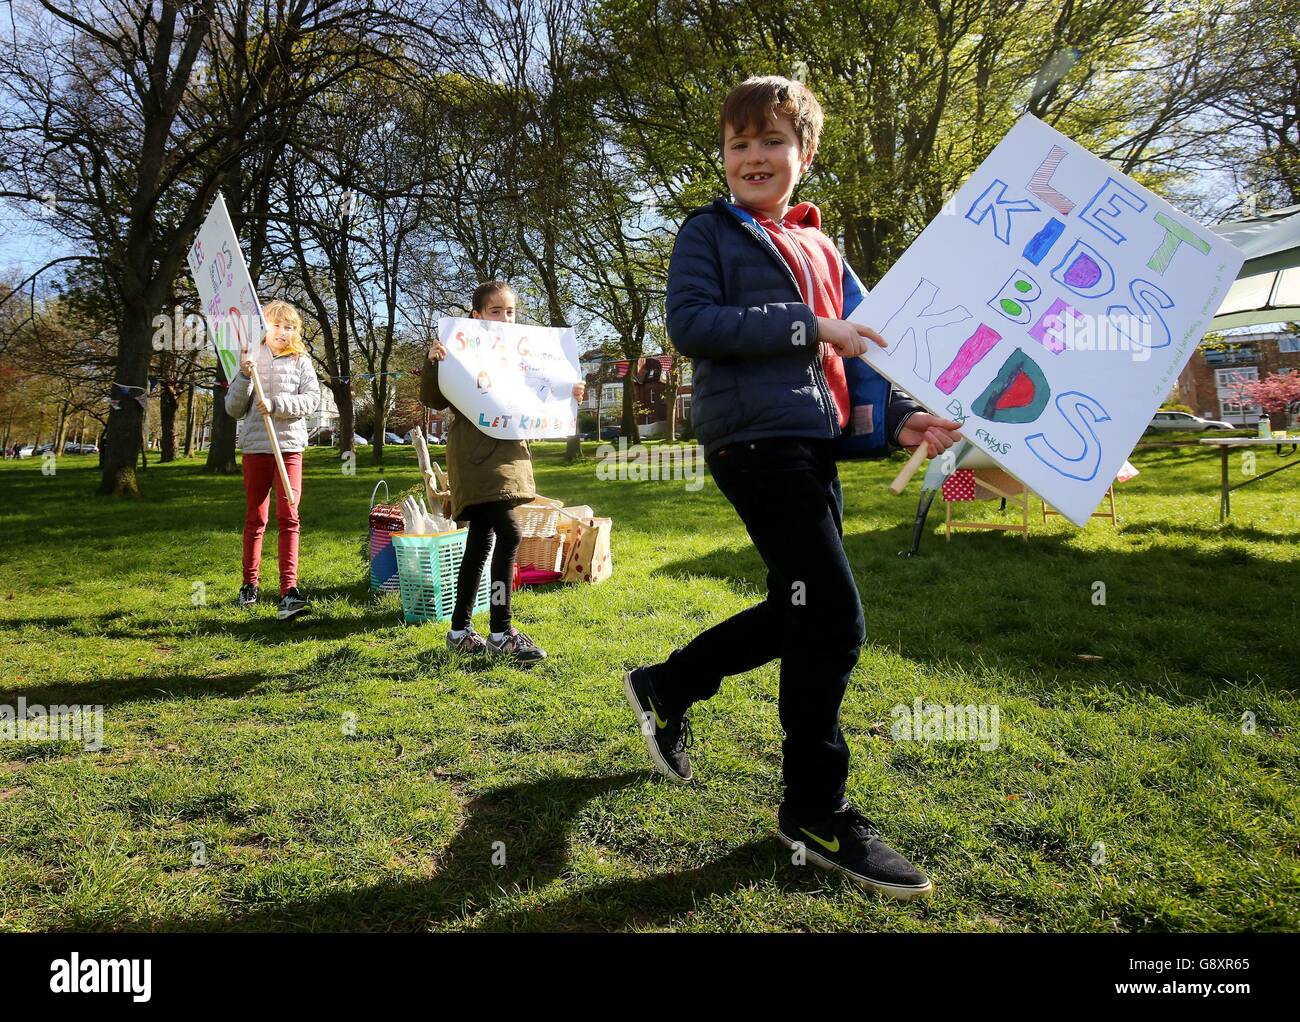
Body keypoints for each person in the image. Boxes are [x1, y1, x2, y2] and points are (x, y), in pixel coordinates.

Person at [622, 76, 961, 900]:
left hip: (813, 447)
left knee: (804, 608)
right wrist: (807, 324)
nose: (752, 158)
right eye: (739, 145)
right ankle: (813, 809)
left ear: (803, 155)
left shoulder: (825, 248)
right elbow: (693, 325)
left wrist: (904, 420)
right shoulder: (708, 232)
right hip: (752, 441)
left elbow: (866, 354)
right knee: (834, 620)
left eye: (771, 142)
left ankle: (669, 684)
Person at [420, 281, 585, 662]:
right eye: (495, 311)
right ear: (476, 316)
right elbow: (433, 399)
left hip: (508, 454)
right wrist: (434, 363)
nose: (504, 318)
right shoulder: (459, 352)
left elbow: (538, 392)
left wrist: (568, 394)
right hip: (476, 458)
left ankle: (460, 631)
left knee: (481, 541)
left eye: (510, 311)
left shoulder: (521, 355)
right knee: (510, 532)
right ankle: (500, 631)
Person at [225, 299, 321, 620]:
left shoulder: (301, 361)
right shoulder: (250, 357)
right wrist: (243, 375)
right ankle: (249, 585)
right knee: (256, 518)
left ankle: (288, 591)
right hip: (256, 448)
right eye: (277, 325)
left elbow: (311, 399)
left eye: (290, 326)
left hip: (289, 448)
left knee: (290, 516)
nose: (283, 331)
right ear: (264, 327)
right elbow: (233, 408)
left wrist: (277, 403)